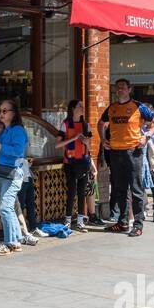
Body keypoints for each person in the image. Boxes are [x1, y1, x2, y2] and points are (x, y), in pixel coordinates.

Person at [99, 79, 154, 237]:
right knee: (119, 190)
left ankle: (138, 225)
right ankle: (123, 222)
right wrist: (103, 138)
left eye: (123, 88)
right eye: (117, 88)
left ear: (129, 89)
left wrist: (147, 136)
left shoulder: (138, 106)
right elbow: (100, 122)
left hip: (133, 152)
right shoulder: (112, 108)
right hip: (115, 152)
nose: (120, 90)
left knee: (136, 189)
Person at [0, 99, 30, 254]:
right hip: (3, 174)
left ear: (13, 114)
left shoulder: (17, 130)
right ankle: (16, 241)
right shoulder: (5, 131)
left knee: (5, 208)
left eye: (5, 111)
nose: (1, 113)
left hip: (13, 174)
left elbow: (18, 151)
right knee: (9, 209)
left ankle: (10, 242)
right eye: (0, 111)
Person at [55, 99, 99, 231]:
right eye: (80, 106)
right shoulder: (66, 124)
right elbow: (57, 145)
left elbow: (90, 146)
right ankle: (68, 220)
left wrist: (86, 142)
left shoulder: (86, 125)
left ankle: (80, 221)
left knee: (81, 192)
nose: (82, 108)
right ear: (73, 108)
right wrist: (74, 138)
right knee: (71, 191)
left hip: (83, 162)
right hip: (70, 163)